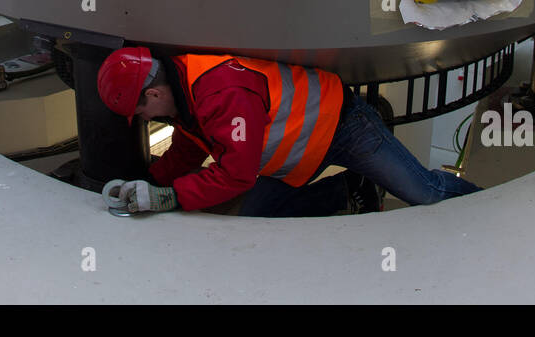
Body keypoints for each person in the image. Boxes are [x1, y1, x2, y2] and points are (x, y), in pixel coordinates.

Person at [97, 48, 481, 216]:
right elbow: (186, 152)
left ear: (153, 92)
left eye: (141, 110)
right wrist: (141, 182)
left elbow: (236, 175)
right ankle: (350, 190)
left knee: (424, 193)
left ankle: (494, 212)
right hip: (298, 159)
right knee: (257, 222)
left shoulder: (218, 93)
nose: (145, 119)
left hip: (345, 127)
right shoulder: (182, 93)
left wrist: (167, 197)